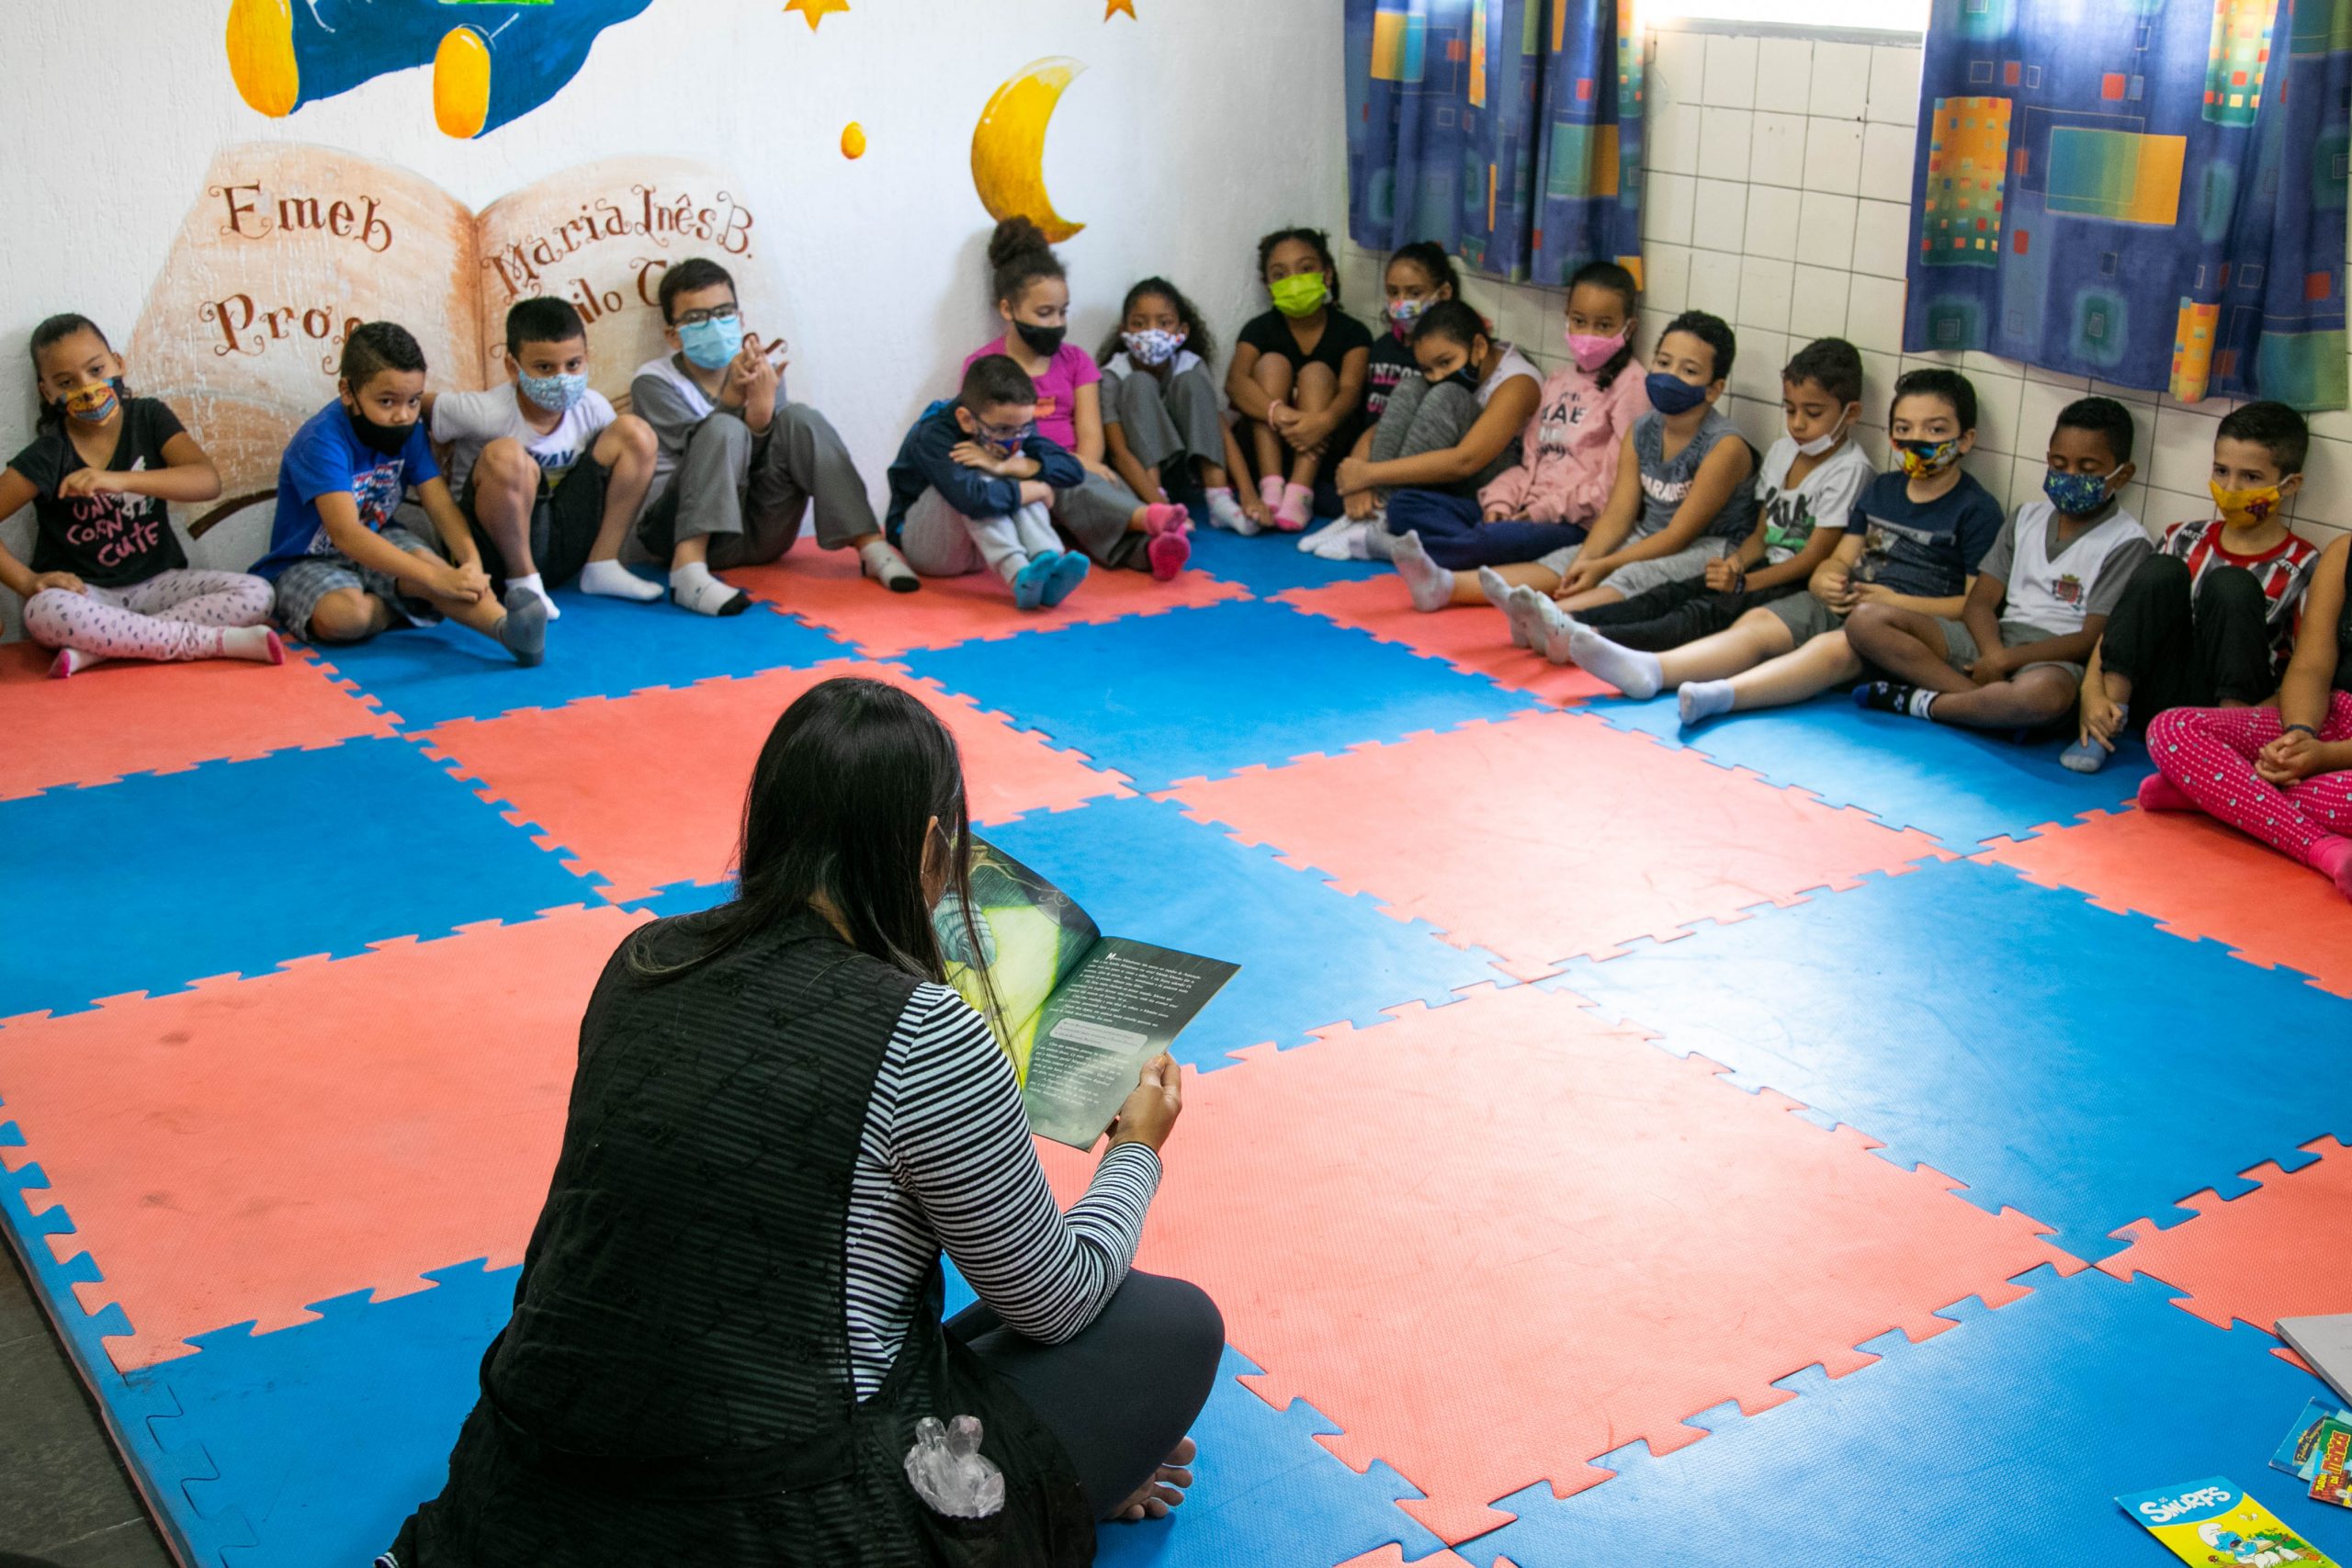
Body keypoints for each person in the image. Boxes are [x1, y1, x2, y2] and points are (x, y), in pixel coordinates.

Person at [384, 676, 1223, 1564]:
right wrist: (1136, 1149)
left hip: (524, 1488)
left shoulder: (644, 958)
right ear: (933, 848)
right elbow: (1055, 1300)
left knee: (930, 1323)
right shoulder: (929, 1029)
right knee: (1169, 1324)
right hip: (773, 1517)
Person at [1551, 368, 2003, 728]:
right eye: (1905, 428)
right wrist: (1827, 577)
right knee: (1758, 623)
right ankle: (1655, 669)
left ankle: (1725, 696)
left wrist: (1894, 602)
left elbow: (1972, 605)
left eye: (1935, 429)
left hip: (1906, 626)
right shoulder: (1883, 489)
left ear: (1965, 439)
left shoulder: (1976, 509)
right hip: (1848, 601)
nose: (1918, 440)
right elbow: (1841, 557)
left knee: (1835, 648)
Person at [1408, 311, 1753, 618]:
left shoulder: (1724, 448)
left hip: (1709, 548)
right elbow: (1618, 514)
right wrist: (1588, 559)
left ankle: (1553, 618)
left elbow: (1678, 535)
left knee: (1630, 575)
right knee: (1568, 562)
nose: (1670, 376)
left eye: (1688, 371)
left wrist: (1605, 564)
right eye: (1663, 363)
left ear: (1713, 389)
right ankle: (1445, 585)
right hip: (1647, 535)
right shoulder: (1642, 430)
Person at [1555, 337, 1871, 669]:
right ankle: (1572, 620)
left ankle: (1599, 639)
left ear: (1850, 413)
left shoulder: (1850, 470)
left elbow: (1813, 557)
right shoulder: (1783, 451)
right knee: (1673, 592)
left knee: (1701, 613)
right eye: (1790, 410)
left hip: (1792, 582)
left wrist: (1746, 583)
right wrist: (1734, 564)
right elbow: (1761, 535)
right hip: (1759, 568)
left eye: (1813, 413)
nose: (1798, 423)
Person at [1849, 396, 2152, 734]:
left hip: (2053, 660)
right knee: (1865, 621)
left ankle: (1923, 704)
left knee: (2042, 696)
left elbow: (2090, 638)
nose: (2069, 476)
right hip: (1992, 639)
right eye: (2059, 463)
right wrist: (1992, 653)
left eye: (2087, 469)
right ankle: (1987, 707)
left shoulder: (2127, 541)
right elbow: (1980, 602)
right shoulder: (2026, 517)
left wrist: (2006, 661)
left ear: (2122, 475)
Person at [631, 257, 914, 616]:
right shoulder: (654, 381)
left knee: (800, 417)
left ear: (740, 319)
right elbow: (698, 457)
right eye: (696, 318)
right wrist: (736, 406)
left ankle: (871, 546)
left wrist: (762, 415)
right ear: (673, 334)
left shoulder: (760, 368)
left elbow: (771, 456)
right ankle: (688, 573)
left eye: (723, 313)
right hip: (683, 532)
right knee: (722, 428)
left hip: (760, 532)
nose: (713, 325)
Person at [1, 314, 277, 679]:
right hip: (85, 596)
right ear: (47, 392)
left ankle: (99, 650)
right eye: (66, 382)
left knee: (258, 594)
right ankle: (210, 642)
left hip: (160, 586)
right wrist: (26, 582)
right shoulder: (49, 453)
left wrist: (120, 481)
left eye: (96, 370)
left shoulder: (148, 416)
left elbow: (207, 481)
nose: (88, 388)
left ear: (118, 363)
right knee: (43, 612)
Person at [253, 321, 547, 665]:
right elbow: (346, 534)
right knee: (347, 617)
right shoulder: (322, 441)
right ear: (348, 391)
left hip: (380, 537)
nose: (403, 415)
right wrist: (436, 581)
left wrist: (470, 563)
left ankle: (510, 631)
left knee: (434, 569)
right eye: (387, 401)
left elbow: (438, 502)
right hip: (308, 559)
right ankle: (405, 603)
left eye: (413, 401)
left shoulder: (409, 429)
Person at [2065, 400, 2324, 772]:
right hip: (2156, 692)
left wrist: (2264, 731)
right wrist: (2091, 691)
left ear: (2290, 485)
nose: (2230, 488)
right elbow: (2123, 626)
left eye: (2251, 477)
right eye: (2221, 471)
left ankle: (2227, 739)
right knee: (2160, 571)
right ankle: (2108, 720)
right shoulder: (2183, 537)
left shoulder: (2304, 566)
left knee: (2232, 586)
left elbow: (2304, 673)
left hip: (2234, 709)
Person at [969, 220, 1193, 578]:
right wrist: (1068, 466)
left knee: (1102, 485)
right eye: (1044, 313)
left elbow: (1090, 433)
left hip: (1081, 471)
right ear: (1008, 310)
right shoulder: (984, 367)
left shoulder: (1076, 360)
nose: (1056, 323)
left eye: (1063, 312)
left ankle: (1153, 551)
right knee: (1068, 483)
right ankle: (1149, 518)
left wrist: (1084, 464)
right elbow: (991, 441)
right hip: (1024, 473)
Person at [2144, 534, 2352, 902]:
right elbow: (2311, 667)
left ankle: (2214, 791)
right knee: (2172, 727)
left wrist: (2327, 757)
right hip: (2331, 716)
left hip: (2341, 759)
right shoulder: (2344, 553)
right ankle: (2319, 845)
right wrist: (2299, 735)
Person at [424, 296, 662, 619]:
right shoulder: (483, 411)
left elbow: (618, 464)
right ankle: (523, 581)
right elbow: (412, 403)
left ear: (587, 358)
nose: (561, 379)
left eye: (573, 365)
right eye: (545, 368)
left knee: (636, 433)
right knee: (506, 455)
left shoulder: (593, 408)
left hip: (561, 540)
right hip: (492, 552)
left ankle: (602, 564)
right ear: (513, 368)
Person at [889, 356, 1183, 607]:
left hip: (980, 552)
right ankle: (1018, 574)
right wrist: (1035, 488)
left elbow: (1072, 470)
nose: (1015, 437)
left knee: (1016, 465)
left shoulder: (1014, 427)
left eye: (1024, 427)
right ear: (966, 419)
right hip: (930, 551)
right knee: (983, 474)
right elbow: (974, 501)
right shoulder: (933, 435)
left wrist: (1014, 466)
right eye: (1004, 429)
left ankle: (1048, 563)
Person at [1320, 300, 1540, 568]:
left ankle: (1382, 512)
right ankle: (1374, 510)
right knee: (1411, 388)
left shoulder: (1519, 382)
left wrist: (1370, 474)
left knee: (1446, 396)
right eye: (1428, 368)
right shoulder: (1464, 365)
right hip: (1445, 478)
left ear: (1479, 347)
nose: (1437, 375)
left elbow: (1466, 460)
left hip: (1499, 490)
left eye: (1445, 362)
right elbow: (1378, 429)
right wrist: (1358, 481)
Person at [1225, 227, 1373, 531]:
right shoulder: (1259, 329)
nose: (1293, 280)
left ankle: (1300, 494)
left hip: (1325, 449)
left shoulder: (1353, 333)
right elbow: (1235, 382)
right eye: (1280, 274)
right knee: (1271, 364)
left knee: (1316, 373)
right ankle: (1271, 487)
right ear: (1268, 286)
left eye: (1305, 269)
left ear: (1326, 275)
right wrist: (1279, 413)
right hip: (1266, 447)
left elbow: (1351, 391)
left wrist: (1323, 422)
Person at [1097, 277, 1266, 535]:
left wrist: (1249, 493)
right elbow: (1119, 452)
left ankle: (1219, 500)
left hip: (1187, 471)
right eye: (1139, 324)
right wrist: (1161, 507)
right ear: (1124, 330)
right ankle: (1157, 504)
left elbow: (1219, 429)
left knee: (1191, 382)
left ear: (1182, 331)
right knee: (1139, 383)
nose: (1151, 332)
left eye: (1164, 323)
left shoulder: (1190, 365)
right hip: (1140, 479)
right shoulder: (1113, 374)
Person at [1366, 242, 1464, 425]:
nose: (1401, 302)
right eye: (1393, 292)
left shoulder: (1448, 357)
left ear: (1443, 294)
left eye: (1415, 293)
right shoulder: (1381, 348)